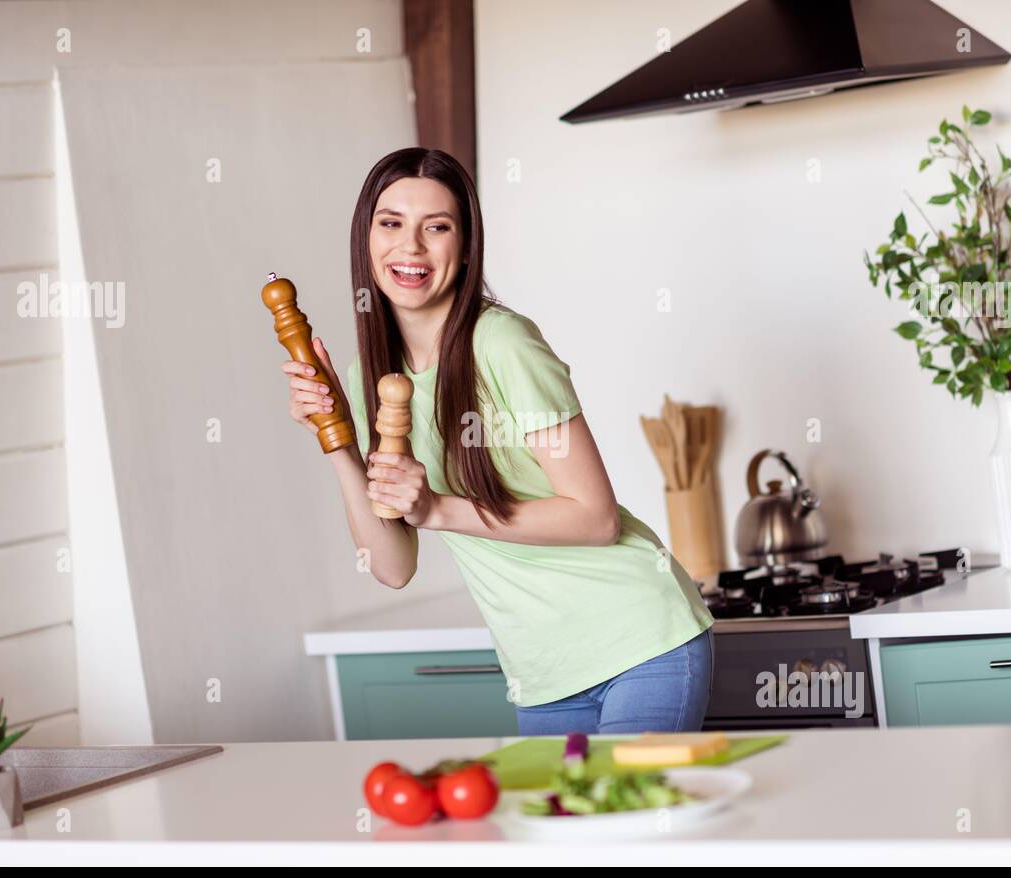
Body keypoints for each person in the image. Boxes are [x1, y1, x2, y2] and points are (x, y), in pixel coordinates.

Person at [283, 147, 714, 735]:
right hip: (541, 675)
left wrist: (437, 508)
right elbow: (391, 565)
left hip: (639, 644)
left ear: (464, 248)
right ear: (366, 239)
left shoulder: (503, 344)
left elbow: (595, 519)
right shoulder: (371, 378)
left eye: (436, 228)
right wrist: (337, 442)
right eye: (391, 224)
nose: (410, 248)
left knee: (622, 824)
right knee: (556, 827)